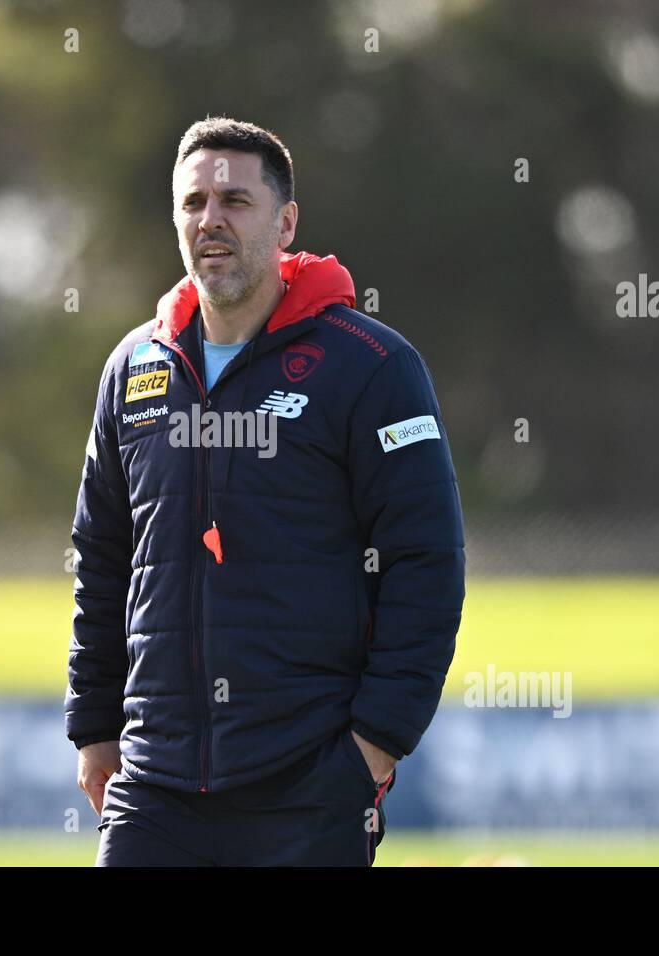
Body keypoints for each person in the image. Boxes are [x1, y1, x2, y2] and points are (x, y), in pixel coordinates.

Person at [64, 116, 465, 866]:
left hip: (308, 784)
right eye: (193, 203)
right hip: (154, 785)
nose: (210, 219)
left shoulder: (371, 365)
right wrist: (93, 725)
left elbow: (427, 561)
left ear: (285, 223)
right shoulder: (132, 369)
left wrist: (374, 746)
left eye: (234, 201)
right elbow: (102, 558)